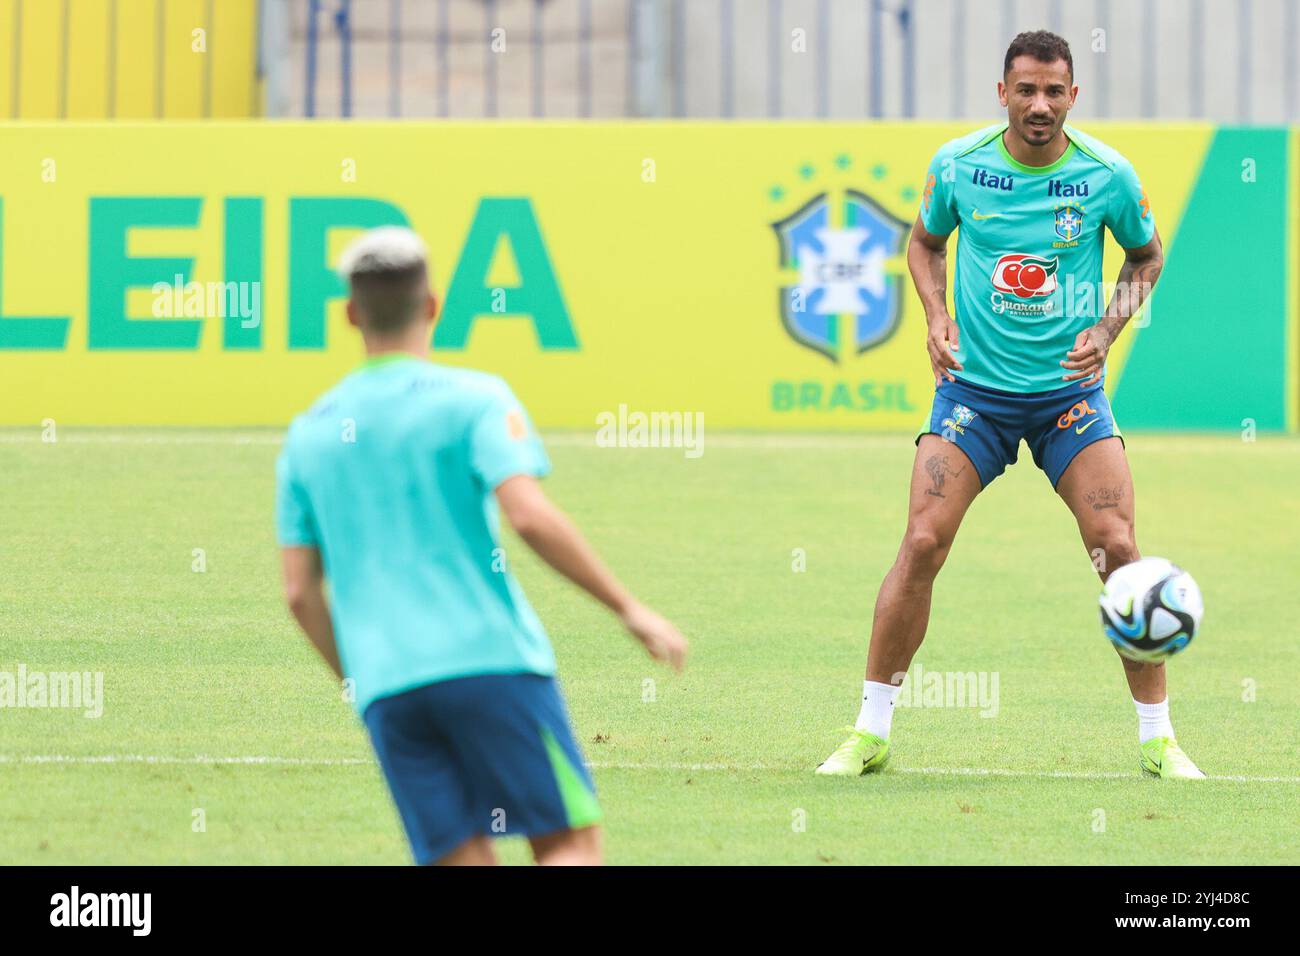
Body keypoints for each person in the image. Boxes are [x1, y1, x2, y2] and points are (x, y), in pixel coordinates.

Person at [817, 30, 1201, 780]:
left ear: (1072, 96)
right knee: (924, 541)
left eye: (1054, 91)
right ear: (1003, 93)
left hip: (1069, 399)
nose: (1039, 104)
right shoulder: (960, 167)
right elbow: (923, 244)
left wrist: (1107, 326)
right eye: (1025, 89)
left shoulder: (1106, 175)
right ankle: (870, 730)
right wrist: (934, 316)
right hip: (975, 398)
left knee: (1119, 550)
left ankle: (1158, 739)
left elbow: (1147, 254)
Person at [277, 226, 688, 865]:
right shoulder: (474, 399)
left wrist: (363, 681)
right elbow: (528, 517)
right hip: (490, 663)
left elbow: (300, 592)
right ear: (433, 305)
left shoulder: (309, 434)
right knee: (568, 842)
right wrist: (627, 607)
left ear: (351, 313)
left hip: (389, 686)